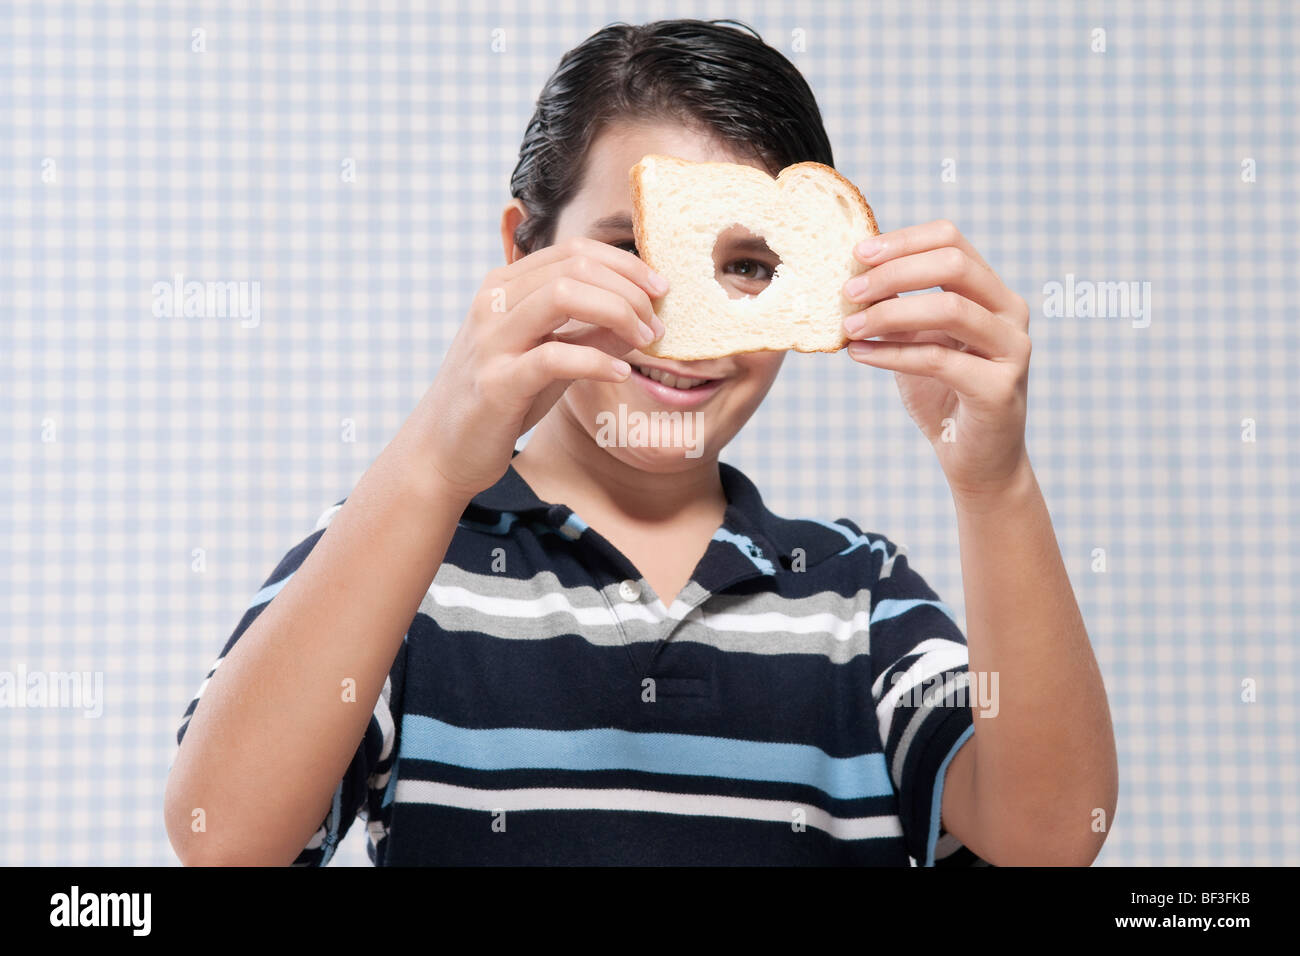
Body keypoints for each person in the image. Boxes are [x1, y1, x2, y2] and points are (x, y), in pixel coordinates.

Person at [165, 18, 1117, 866]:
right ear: (523, 254)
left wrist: (995, 487)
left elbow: (1050, 840)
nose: (675, 323)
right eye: (627, 250)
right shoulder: (404, 562)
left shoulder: (855, 597)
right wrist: (437, 456)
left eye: (748, 265)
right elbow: (225, 837)